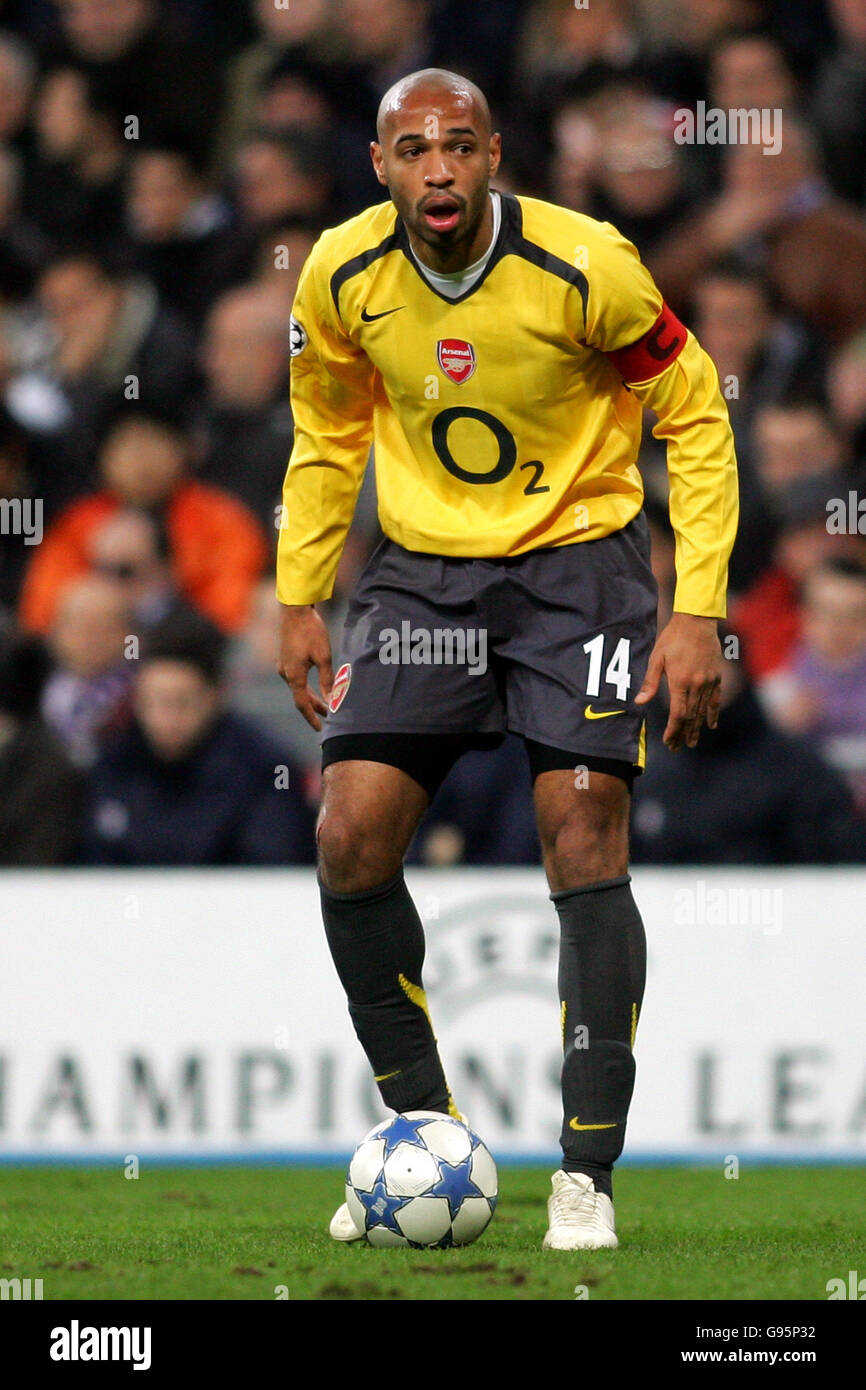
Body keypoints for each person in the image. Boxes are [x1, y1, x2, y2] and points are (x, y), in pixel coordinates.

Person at [275, 69, 738, 1250]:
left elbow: (692, 413)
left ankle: (585, 1175)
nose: (439, 168)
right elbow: (326, 430)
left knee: (581, 828)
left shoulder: (587, 266)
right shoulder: (338, 274)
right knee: (347, 834)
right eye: (413, 148)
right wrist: (298, 591)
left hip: (576, 574)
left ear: (495, 159)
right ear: (377, 165)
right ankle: (422, 1134)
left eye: (461, 145)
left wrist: (694, 608)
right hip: (421, 576)